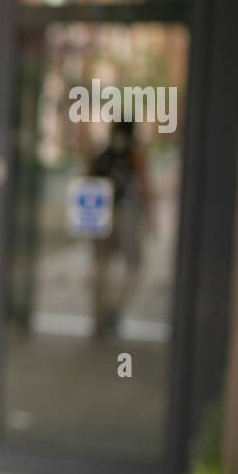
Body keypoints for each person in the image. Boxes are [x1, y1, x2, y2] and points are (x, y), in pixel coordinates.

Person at [88, 117, 154, 338]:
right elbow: (144, 184)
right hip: (126, 214)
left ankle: (100, 316)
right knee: (134, 265)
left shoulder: (101, 155)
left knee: (101, 265)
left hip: (100, 215)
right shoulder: (135, 156)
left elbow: (86, 182)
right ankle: (113, 310)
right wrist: (150, 216)